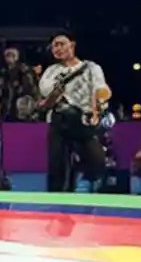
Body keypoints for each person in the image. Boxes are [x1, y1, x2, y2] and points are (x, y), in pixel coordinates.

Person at [37, 33, 111, 192]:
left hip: (85, 121)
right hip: (60, 121)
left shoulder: (91, 68)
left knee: (97, 162)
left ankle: (85, 193)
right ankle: (56, 205)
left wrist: (98, 107)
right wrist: (55, 95)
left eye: (62, 44)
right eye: (54, 46)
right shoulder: (51, 71)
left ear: (72, 45)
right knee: (57, 168)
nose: (58, 48)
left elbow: (101, 89)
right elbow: (45, 93)